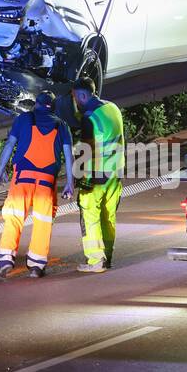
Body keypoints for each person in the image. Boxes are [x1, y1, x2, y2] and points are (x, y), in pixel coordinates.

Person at [0, 90, 74, 279]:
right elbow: (68, 155)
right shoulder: (61, 125)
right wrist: (70, 182)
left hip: (22, 179)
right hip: (46, 182)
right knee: (43, 221)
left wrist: (0, 169)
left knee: (14, 217)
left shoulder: (23, 119)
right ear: (53, 107)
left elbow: (9, 145)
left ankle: (5, 259)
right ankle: (37, 265)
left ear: (35, 103)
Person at [71, 77, 124, 273]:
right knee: (108, 216)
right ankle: (107, 256)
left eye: (76, 97)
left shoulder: (89, 117)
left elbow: (86, 149)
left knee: (90, 215)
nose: (76, 102)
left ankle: (96, 260)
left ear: (83, 95)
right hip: (116, 171)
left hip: (96, 174)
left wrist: (77, 176)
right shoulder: (113, 108)